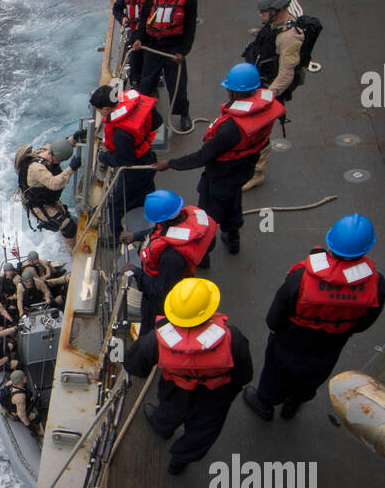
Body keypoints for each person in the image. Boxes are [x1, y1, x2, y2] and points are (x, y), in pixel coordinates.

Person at [243, 214, 385, 420]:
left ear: (331, 244)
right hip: (330, 346)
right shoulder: (376, 285)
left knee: (276, 373)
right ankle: (293, 404)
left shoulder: (301, 277)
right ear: (366, 248)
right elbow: (365, 322)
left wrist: (275, 329)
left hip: (289, 341)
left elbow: (277, 314)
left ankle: (265, 403)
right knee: (313, 376)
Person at [124, 278, 252, 475]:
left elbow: (135, 366)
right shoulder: (233, 339)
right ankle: (180, 461)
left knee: (168, 411)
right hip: (216, 393)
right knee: (204, 429)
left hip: (175, 388)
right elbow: (244, 374)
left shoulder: (154, 340)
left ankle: (162, 427)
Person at [152, 63, 283, 256]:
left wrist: (170, 164)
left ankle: (204, 255)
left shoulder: (230, 129)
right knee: (233, 205)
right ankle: (233, 240)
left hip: (221, 177)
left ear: (235, 93)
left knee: (207, 218)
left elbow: (202, 156)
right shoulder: (263, 112)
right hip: (243, 171)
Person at [121, 190, 217, 335]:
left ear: (162, 220)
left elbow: (161, 290)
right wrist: (136, 236)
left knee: (152, 323)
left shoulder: (172, 257)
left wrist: (136, 272)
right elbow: (160, 231)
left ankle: (150, 343)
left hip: (164, 293)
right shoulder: (182, 217)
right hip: (186, 263)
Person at [239, 0, 305, 191]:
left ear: (278, 9)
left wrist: (267, 97)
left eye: (265, 11)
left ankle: (257, 172)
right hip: (257, 82)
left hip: (269, 90)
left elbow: (286, 74)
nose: (262, 16)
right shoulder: (276, 27)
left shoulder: (290, 37)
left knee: (260, 132)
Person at [132, 0, 196, 129]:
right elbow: (144, 19)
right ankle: (146, 117)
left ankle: (183, 114)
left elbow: (190, 26)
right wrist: (139, 39)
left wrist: (182, 52)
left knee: (177, 87)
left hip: (174, 47)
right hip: (153, 45)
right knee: (146, 85)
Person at [90, 84, 158, 239]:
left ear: (106, 109)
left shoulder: (121, 133)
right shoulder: (137, 104)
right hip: (148, 157)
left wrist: (103, 158)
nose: (100, 113)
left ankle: (117, 237)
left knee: (116, 204)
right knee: (147, 192)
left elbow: (124, 161)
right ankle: (152, 224)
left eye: (100, 110)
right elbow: (156, 121)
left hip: (135, 170)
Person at [15, 137, 82, 252]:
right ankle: (74, 251)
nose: (59, 163)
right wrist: (71, 169)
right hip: (39, 206)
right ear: (54, 157)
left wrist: (75, 138)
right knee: (68, 227)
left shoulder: (49, 150)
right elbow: (54, 183)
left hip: (47, 198)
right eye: (59, 160)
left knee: (66, 219)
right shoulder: (36, 168)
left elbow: (61, 145)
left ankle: (69, 237)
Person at [112, 0, 156, 87]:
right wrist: (123, 18)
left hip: (150, 35)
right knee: (135, 65)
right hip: (135, 33)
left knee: (149, 68)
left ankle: (149, 88)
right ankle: (137, 85)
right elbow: (116, 8)